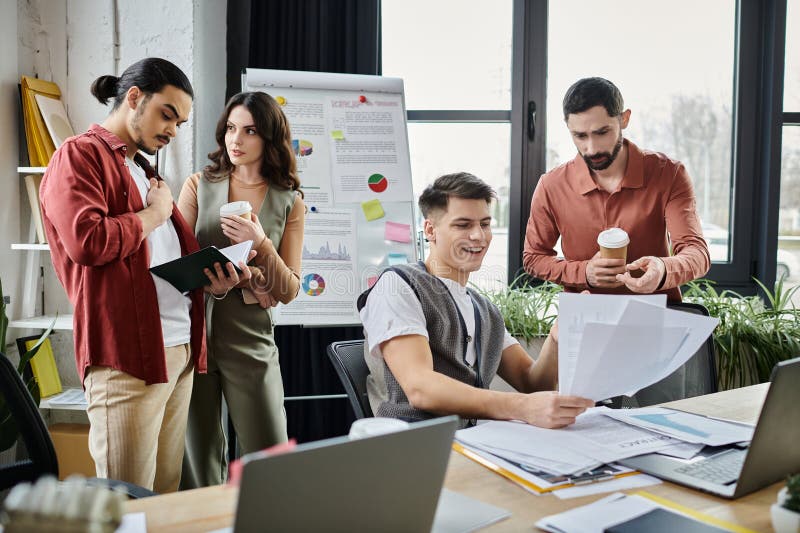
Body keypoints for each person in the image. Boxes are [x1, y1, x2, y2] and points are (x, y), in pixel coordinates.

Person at [39, 58, 250, 492]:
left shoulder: (142, 169)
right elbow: (88, 241)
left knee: (164, 497)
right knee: (127, 499)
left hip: (176, 350)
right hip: (126, 357)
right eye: (167, 114)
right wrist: (154, 213)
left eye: (181, 121)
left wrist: (211, 280)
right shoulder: (78, 155)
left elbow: (155, 262)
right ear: (134, 98)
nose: (173, 130)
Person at [357, 172, 593, 429]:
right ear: (430, 229)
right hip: (415, 447)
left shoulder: (484, 309)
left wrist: (557, 338)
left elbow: (532, 384)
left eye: (485, 224)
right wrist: (520, 407)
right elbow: (420, 388)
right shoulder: (398, 286)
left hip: (474, 443)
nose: (478, 236)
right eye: (463, 225)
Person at [177, 92, 305, 488]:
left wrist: (260, 243)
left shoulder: (289, 201)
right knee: (199, 463)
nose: (236, 139)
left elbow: (290, 288)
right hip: (194, 334)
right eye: (231, 128)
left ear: (269, 138)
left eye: (249, 131)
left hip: (250, 337)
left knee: (270, 459)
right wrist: (220, 284)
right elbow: (175, 264)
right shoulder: (198, 185)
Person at [523, 77, 710, 301]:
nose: (591, 149)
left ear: (624, 119)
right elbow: (533, 258)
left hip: (658, 316)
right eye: (580, 136)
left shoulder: (668, 174)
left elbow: (697, 253)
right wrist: (584, 272)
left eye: (602, 132)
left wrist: (663, 269)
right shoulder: (551, 185)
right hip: (584, 319)